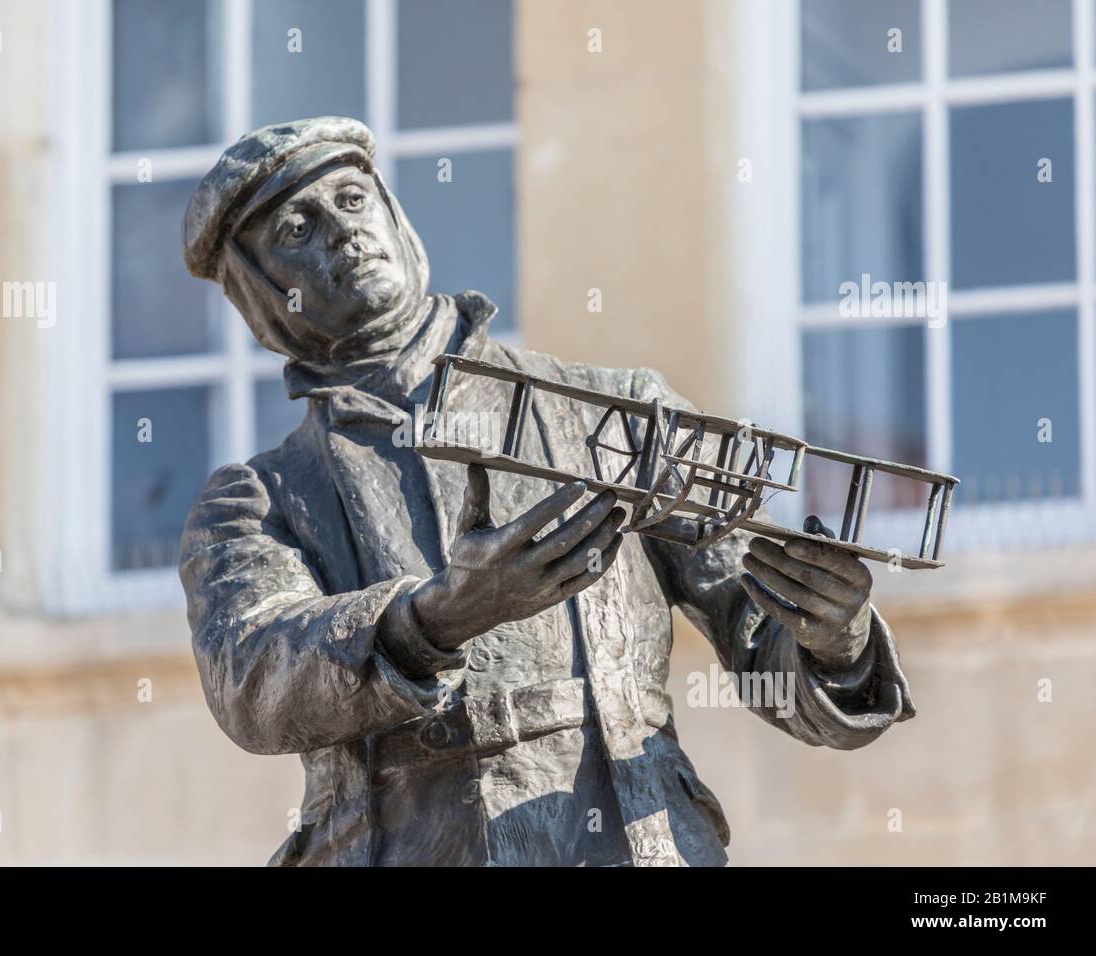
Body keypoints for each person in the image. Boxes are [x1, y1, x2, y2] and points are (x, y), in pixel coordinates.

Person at [178, 117, 914, 866]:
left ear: (393, 214)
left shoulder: (619, 416)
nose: (343, 233)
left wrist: (836, 639)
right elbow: (254, 680)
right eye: (297, 228)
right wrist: (432, 619)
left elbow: (767, 654)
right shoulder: (257, 503)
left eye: (353, 199)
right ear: (260, 291)